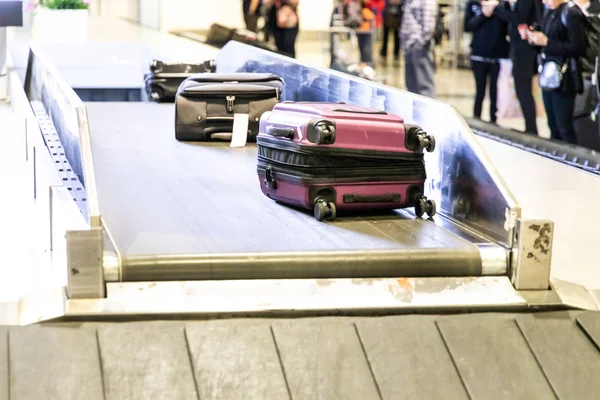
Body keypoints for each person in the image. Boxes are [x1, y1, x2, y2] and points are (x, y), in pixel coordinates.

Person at [524, 0, 587, 143]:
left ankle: (572, 162)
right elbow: (545, 43)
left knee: (564, 127)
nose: (544, 1)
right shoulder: (550, 11)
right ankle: (556, 160)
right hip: (549, 75)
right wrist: (533, 38)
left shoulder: (571, 13)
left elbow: (578, 47)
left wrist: (547, 42)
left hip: (565, 78)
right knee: (552, 125)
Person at [494, 0, 544, 135]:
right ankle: (530, 127)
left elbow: (519, 19)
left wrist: (498, 9)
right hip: (521, 49)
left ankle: (531, 129)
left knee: (523, 89)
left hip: (525, 50)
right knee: (522, 89)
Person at [464, 0, 510, 123]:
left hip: (497, 56)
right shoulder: (473, 4)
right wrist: (483, 14)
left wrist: (497, 9)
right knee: (480, 91)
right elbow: (468, 26)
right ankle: (476, 119)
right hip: (478, 55)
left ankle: (493, 121)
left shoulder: (502, 4)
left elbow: (511, 24)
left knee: (495, 91)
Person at [401, 0, 439, 97]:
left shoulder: (427, 1)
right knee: (411, 83)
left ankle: (427, 110)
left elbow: (428, 27)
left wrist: (418, 43)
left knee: (424, 84)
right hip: (408, 45)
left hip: (420, 47)